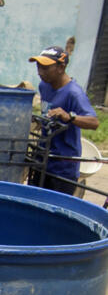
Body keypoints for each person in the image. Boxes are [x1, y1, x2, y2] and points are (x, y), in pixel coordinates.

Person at [29, 45, 98, 195]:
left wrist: (70, 116)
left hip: (62, 168)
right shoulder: (44, 86)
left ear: (61, 67)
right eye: (38, 66)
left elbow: (93, 122)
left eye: (45, 68)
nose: (40, 72)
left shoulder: (74, 93)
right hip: (42, 160)